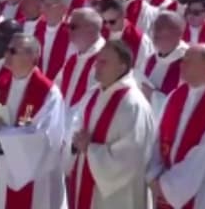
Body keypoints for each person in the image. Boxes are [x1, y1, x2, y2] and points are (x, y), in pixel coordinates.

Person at [0, 33, 68, 209]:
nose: (6, 55)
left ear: (33, 56)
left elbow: (45, 137)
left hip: (30, 175)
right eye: (6, 50)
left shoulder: (48, 93)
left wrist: (2, 138)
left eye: (12, 51)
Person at [146, 43, 205, 208]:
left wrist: (166, 186)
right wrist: (154, 174)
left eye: (189, 61)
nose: (182, 64)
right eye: (183, 60)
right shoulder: (176, 95)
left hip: (200, 195)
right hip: (164, 184)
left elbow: (204, 155)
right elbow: (157, 138)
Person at [66, 38, 156, 208]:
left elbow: (132, 156)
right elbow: (76, 126)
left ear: (122, 67)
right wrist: (74, 142)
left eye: (103, 62)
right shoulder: (93, 94)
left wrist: (90, 149)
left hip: (116, 194)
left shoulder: (133, 104)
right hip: (85, 181)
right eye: (97, 61)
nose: (96, 66)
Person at [58, 8, 106, 118]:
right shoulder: (73, 58)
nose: (68, 30)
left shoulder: (106, 59)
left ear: (91, 29)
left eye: (73, 27)